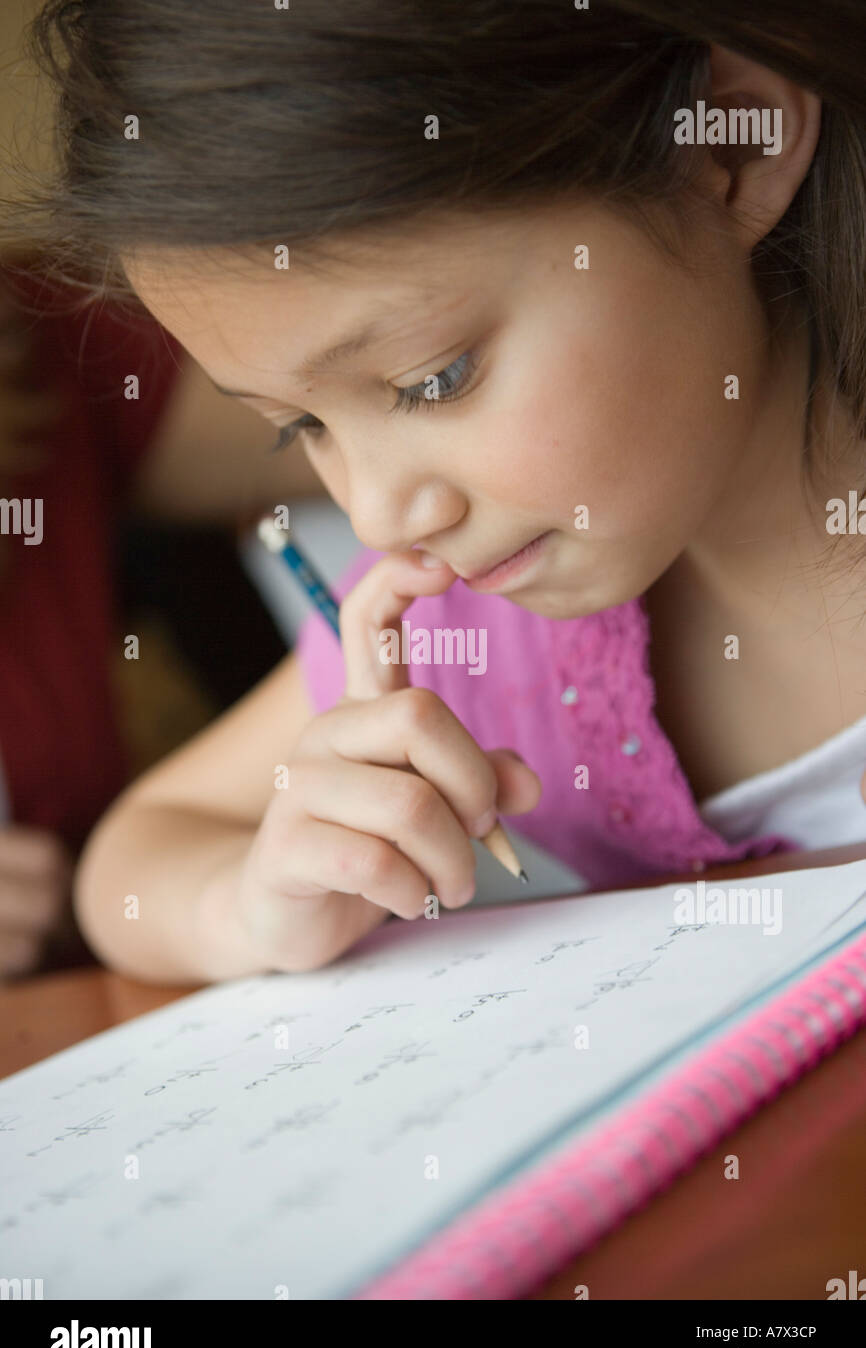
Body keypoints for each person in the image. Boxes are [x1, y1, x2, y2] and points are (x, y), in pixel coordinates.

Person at [8, 0, 866, 984]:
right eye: (302, 428)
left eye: (434, 379)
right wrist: (253, 902)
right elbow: (132, 858)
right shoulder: (470, 633)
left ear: (727, 148)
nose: (376, 516)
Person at [0, 251, 321, 975]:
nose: (398, 507)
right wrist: (240, 912)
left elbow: (366, 394)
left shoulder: (48, 347)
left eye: (438, 382)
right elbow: (132, 865)